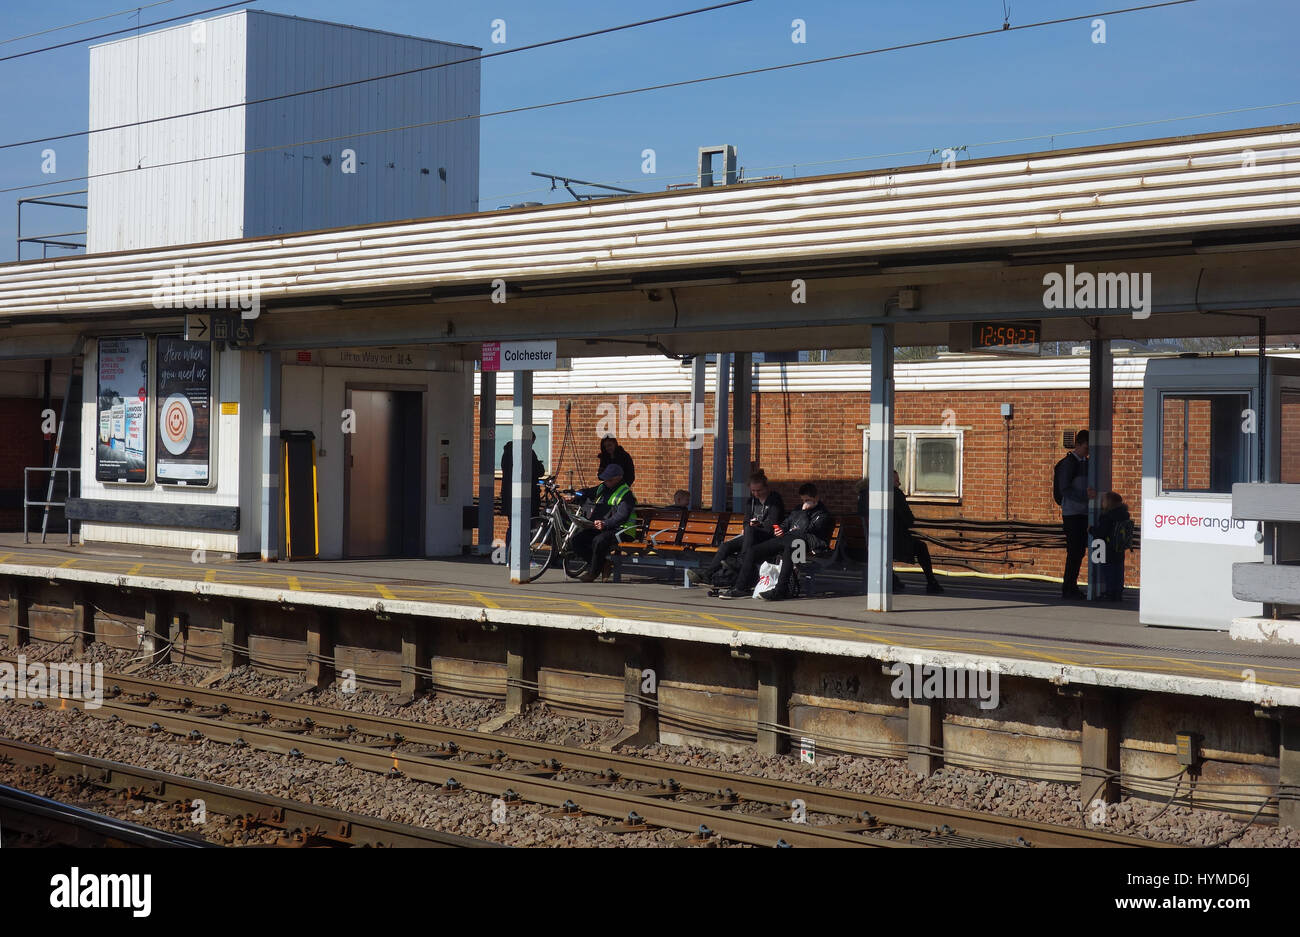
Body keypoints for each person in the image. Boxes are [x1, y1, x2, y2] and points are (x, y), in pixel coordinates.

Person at [723, 482, 834, 601]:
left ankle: (780, 590)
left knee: (790, 548)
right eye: (803, 500)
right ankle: (740, 587)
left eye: (808, 499)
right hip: (789, 539)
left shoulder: (823, 515)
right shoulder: (797, 510)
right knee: (753, 551)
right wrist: (780, 530)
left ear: (816, 498)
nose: (805, 503)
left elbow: (806, 529)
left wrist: (805, 512)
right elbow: (786, 523)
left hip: (807, 546)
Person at [691, 471, 785, 586]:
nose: (756, 494)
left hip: (767, 536)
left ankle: (741, 561)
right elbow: (746, 521)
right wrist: (749, 525)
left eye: (759, 490)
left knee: (750, 530)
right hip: (752, 535)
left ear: (766, 488)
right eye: (753, 491)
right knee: (726, 546)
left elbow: (772, 523)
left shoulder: (774, 500)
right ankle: (707, 574)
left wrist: (756, 526)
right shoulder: (751, 502)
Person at [566, 463, 638, 582]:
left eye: (609, 479)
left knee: (599, 541)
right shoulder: (603, 487)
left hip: (622, 530)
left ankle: (593, 573)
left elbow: (622, 516)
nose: (606, 482)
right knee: (576, 540)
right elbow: (587, 492)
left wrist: (606, 523)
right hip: (603, 527)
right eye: (605, 479)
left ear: (618, 478)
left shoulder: (626, 494)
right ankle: (604, 564)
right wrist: (575, 495)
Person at [1054, 429, 1096, 599]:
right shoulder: (1069, 464)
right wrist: (1084, 497)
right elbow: (1064, 489)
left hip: (1081, 512)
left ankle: (1071, 586)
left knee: (1078, 551)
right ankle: (1069, 587)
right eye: (1086, 447)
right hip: (1072, 513)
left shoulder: (1085, 463)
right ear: (1078, 444)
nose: (1088, 451)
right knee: (1075, 550)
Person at [889, 470, 944, 594]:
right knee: (921, 547)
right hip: (896, 541)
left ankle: (892, 578)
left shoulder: (868, 495)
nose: (899, 483)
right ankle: (931, 581)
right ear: (890, 481)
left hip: (875, 541)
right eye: (897, 480)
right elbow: (908, 520)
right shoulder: (896, 495)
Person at [500, 432, 545, 558]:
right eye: (531, 441)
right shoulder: (528, 453)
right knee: (528, 527)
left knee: (512, 527)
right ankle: (524, 557)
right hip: (527, 497)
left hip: (509, 496)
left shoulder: (507, 452)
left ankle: (509, 556)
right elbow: (539, 471)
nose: (531, 444)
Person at [1089, 491, 1132, 601]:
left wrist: (1091, 530)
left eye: (1103, 500)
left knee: (1109, 570)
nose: (1101, 502)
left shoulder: (1107, 516)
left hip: (1107, 547)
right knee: (1118, 569)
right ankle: (1118, 592)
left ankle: (1110, 593)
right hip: (1119, 547)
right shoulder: (1124, 514)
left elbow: (1101, 533)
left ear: (1108, 503)